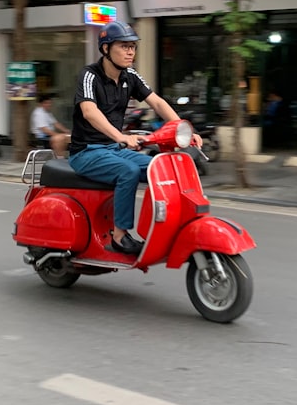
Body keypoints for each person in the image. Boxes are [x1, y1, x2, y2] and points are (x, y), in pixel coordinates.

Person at [68, 20, 200, 255]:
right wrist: (121, 136)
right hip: (86, 151)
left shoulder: (130, 75)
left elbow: (157, 101)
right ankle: (119, 236)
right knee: (127, 172)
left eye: (133, 46)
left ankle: (166, 227)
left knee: (159, 169)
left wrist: (185, 131)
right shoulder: (90, 75)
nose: (130, 51)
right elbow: (89, 111)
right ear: (106, 49)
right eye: (123, 46)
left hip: (112, 149)